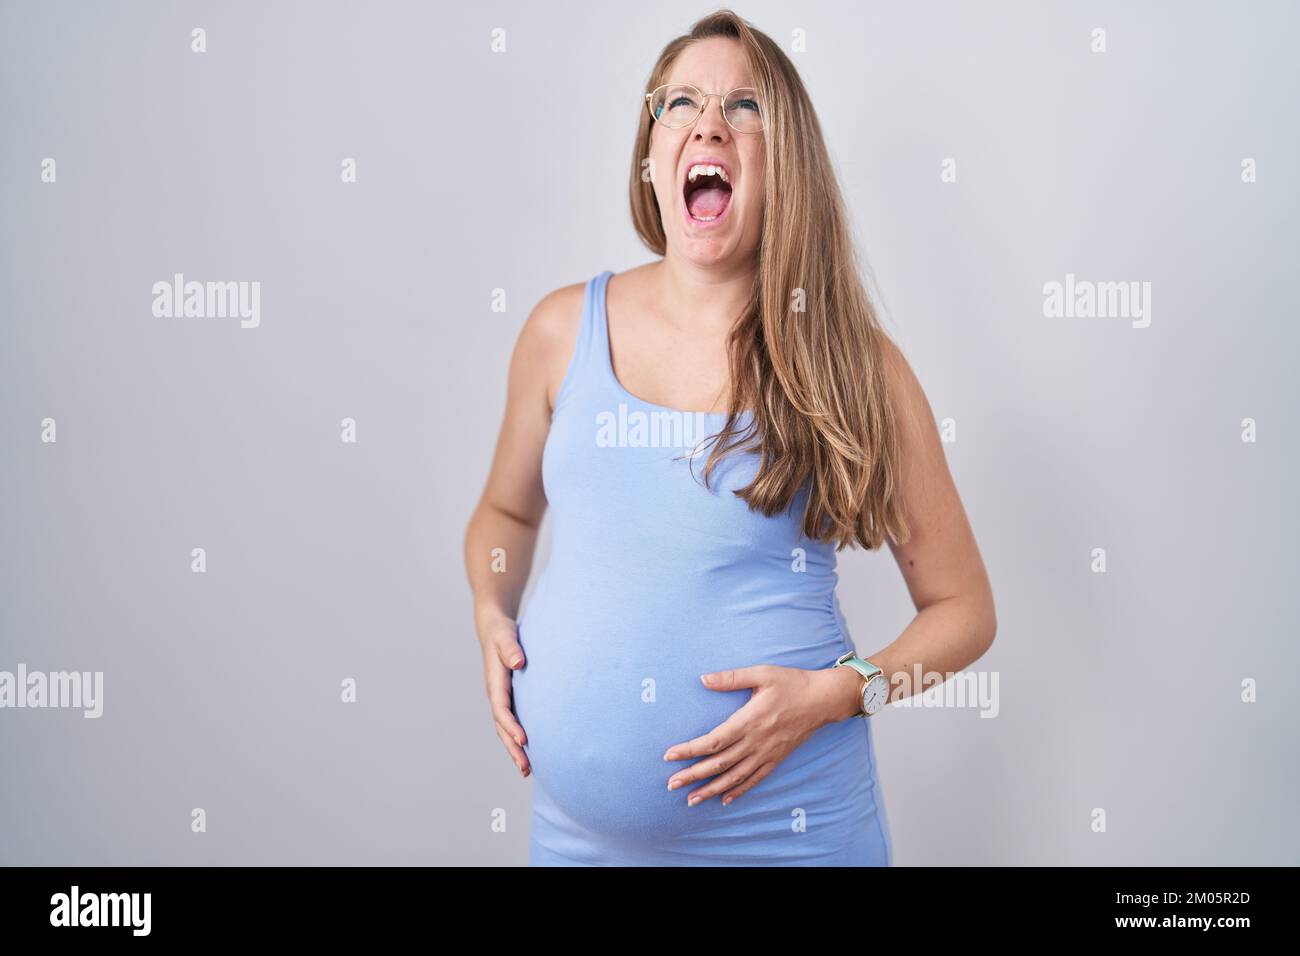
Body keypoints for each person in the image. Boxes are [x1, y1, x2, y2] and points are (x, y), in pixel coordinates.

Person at [463, 9, 996, 866]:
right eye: (680, 102)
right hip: (576, 843)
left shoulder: (854, 365)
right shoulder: (560, 332)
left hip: (791, 833)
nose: (709, 121)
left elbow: (966, 614)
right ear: (650, 155)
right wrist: (491, 609)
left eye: (745, 107)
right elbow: (503, 516)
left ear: (787, 165)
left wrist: (840, 694)